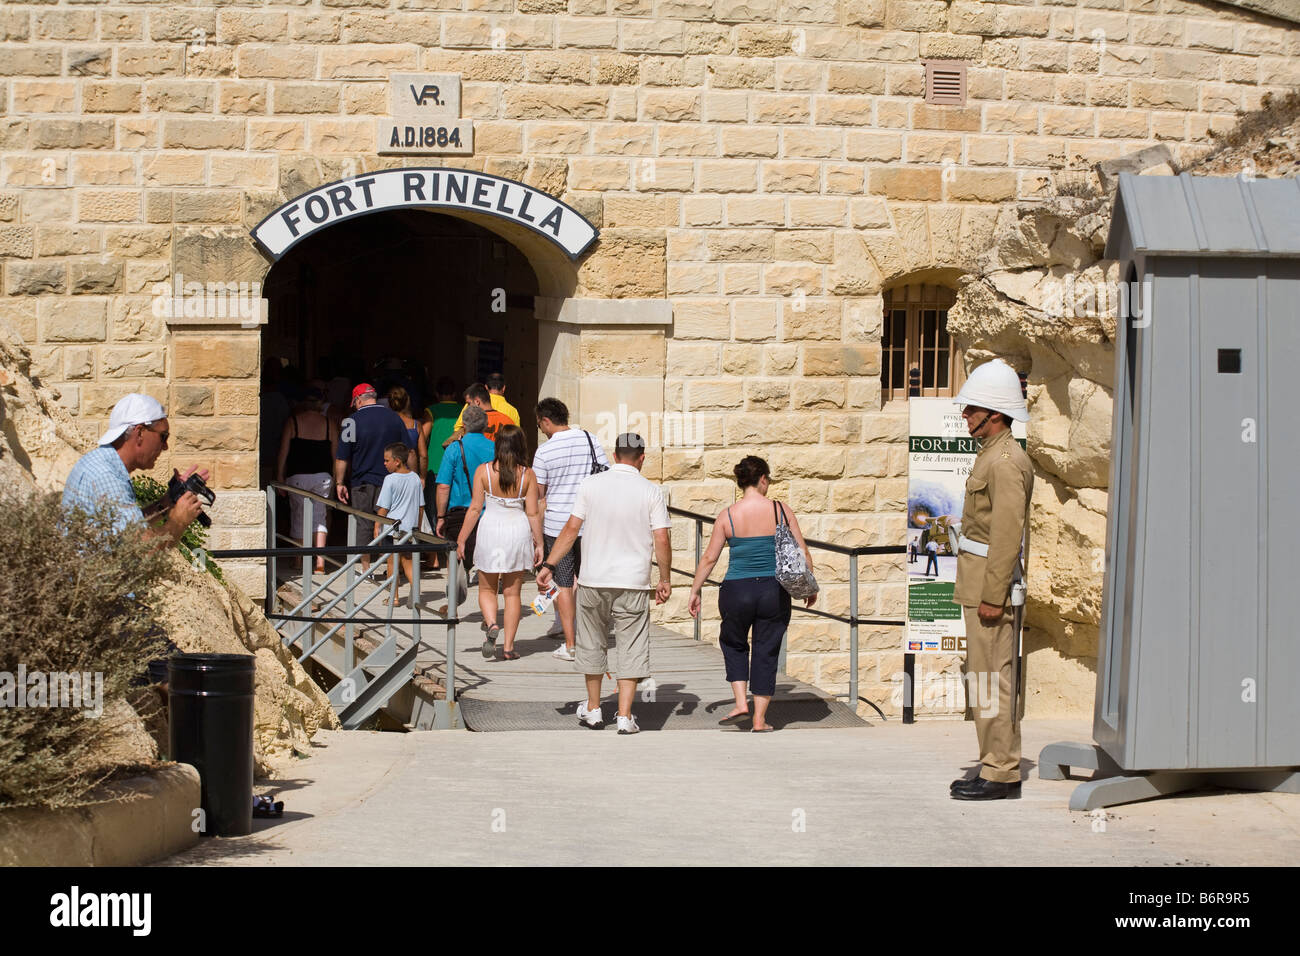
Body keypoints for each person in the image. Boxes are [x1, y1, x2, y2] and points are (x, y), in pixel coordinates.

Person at [537, 433, 671, 736]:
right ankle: (625, 716)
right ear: (642, 458)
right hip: (633, 582)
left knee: (592, 643)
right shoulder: (651, 491)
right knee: (632, 647)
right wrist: (664, 578)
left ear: (614, 455)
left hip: (594, 579)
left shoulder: (590, 486)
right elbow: (661, 537)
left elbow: (571, 529)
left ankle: (595, 709)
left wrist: (549, 565)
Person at [949, 359, 1034, 802]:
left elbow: (1006, 536)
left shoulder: (1004, 463)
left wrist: (993, 595)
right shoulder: (992, 455)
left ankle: (1002, 772)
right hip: (978, 580)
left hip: (989, 586)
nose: (965, 416)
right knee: (981, 677)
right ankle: (991, 763)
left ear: (994, 413)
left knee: (993, 678)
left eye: (970, 410)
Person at [687, 456, 815, 733]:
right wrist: (808, 586)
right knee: (766, 650)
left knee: (733, 643)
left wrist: (695, 590)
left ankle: (740, 703)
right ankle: (759, 720)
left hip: (736, 589)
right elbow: (802, 551)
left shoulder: (728, 515)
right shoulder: (781, 510)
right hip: (773, 589)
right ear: (764, 480)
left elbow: (709, 557)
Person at [63, 393, 206, 542]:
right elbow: (142, 550)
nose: (165, 446)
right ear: (139, 433)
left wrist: (166, 503)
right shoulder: (107, 477)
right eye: (163, 436)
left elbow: (126, 529)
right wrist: (178, 521)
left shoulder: (104, 464)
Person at [455, 425, 544, 661]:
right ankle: (508, 647)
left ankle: (492, 623)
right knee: (512, 594)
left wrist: (461, 539)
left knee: (486, 588)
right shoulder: (528, 474)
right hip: (517, 530)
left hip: (491, 530)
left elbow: (474, 508)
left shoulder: (483, 471)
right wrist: (540, 544)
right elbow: (533, 513)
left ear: (497, 445)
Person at [531, 397, 610, 662]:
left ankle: (571, 643)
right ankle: (594, 638)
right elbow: (604, 476)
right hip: (590, 523)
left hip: (558, 526)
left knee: (563, 583)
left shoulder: (544, 452)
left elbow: (539, 496)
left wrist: (536, 535)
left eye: (540, 424)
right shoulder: (591, 439)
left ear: (545, 420)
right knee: (590, 581)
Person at [334, 383, 407, 573]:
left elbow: (342, 456)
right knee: (389, 524)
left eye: (355, 403)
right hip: (391, 480)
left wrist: (340, 482)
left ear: (358, 400)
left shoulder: (351, 421)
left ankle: (366, 569)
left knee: (363, 524)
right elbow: (409, 451)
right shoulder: (394, 418)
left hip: (362, 482)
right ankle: (390, 568)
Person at [275, 386, 338, 575]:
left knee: (298, 517)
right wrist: (336, 478)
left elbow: (284, 452)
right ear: (320, 403)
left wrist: (279, 475)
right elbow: (335, 454)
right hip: (322, 476)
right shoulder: (329, 424)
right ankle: (320, 563)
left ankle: (298, 560)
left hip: (298, 476)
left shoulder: (293, 422)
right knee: (320, 517)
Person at [434, 404, 496, 574]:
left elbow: (443, 487)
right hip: (489, 513)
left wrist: (440, 517)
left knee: (456, 561)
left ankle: (456, 590)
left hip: (459, 515)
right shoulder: (495, 448)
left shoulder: (454, 448)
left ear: (464, 425)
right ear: (485, 425)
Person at [376, 442, 424, 606]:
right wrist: (417, 526)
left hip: (392, 529)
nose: (384, 463)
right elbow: (420, 506)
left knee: (392, 564)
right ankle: (415, 592)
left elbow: (384, 508)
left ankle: (394, 597)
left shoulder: (389, 480)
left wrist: (377, 527)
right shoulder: (415, 478)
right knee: (408, 562)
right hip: (409, 529)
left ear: (397, 461)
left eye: (386, 460)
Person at [422, 377, 461, 561]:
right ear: (454, 394)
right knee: (454, 509)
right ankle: (452, 551)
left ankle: (434, 556)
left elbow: (424, 434)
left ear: (438, 395)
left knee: (434, 510)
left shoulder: (431, 411)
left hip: (435, 465)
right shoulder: (463, 410)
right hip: (458, 466)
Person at [443, 380, 518, 448]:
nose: (467, 407)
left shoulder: (473, 423)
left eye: (468, 403)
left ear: (477, 402)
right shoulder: (508, 421)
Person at [387, 386, 425, 477]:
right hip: (409, 474)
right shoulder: (415, 425)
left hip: (389, 473)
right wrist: (422, 477)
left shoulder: (386, 424)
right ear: (407, 402)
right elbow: (423, 456)